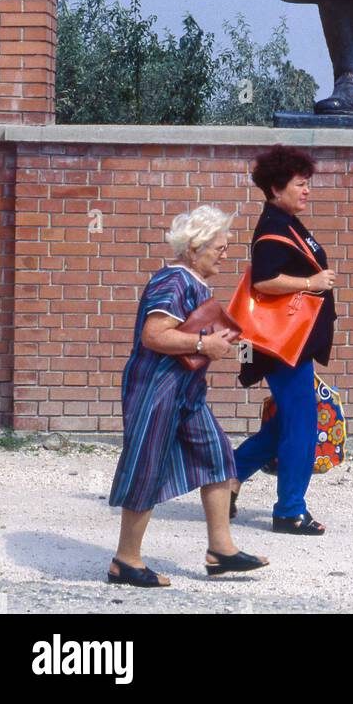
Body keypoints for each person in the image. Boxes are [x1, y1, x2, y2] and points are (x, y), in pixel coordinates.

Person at [107, 205, 268, 586]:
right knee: (146, 467)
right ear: (194, 247)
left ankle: (221, 551)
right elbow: (154, 336)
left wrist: (221, 344)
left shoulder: (194, 283)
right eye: (220, 248)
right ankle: (125, 561)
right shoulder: (174, 281)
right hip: (156, 391)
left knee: (218, 455)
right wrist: (203, 342)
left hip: (186, 392)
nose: (225, 255)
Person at [231, 145, 336, 535]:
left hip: (291, 344)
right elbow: (263, 280)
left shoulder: (286, 222)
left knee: (285, 425)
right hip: (282, 347)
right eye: (300, 184)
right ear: (276, 189)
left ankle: (229, 478)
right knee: (303, 426)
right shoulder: (274, 229)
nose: (307, 190)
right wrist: (312, 282)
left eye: (308, 184)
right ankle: (289, 509)